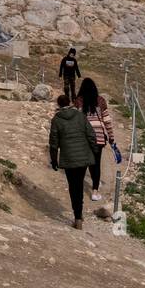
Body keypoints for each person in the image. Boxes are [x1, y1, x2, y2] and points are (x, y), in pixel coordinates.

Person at [49, 92, 99, 229]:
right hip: (83, 157)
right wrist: (94, 150)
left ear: (59, 105)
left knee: (73, 187)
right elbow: (91, 135)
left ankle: (77, 217)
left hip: (69, 158)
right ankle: (79, 215)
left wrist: (54, 160)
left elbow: (53, 143)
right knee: (80, 185)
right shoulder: (80, 116)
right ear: (70, 102)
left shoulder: (56, 120)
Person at [76, 77, 116, 202]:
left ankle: (78, 191)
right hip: (98, 136)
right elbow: (107, 121)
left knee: (83, 163)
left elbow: (76, 121)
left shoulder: (78, 101)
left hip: (84, 137)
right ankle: (95, 191)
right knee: (96, 164)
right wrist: (111, 137)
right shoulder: (100, 100)